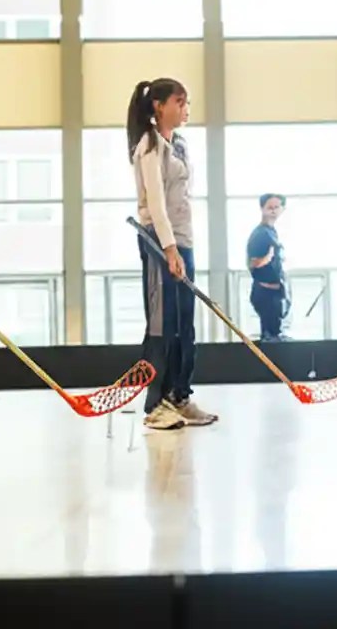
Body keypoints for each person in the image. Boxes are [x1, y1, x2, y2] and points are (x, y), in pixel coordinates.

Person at [129, 77, 218, 430]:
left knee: (185, 326)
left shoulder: (178, 144)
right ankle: (155, 405)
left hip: (183, 241)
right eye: (179, 102)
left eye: (187, 102)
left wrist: (181, 247)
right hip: (158, 240)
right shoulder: (149, 145)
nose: (186, 109)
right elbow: (156, 202)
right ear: (158, 106)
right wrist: (168, 248)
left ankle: (180, 395)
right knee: (162, 325)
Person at [247, 193, 290, 342]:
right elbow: (253, 263)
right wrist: (267, 258)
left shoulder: (272, 232)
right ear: (262, 209)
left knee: (275, 335)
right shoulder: (260, 234)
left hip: (275, 292)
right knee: (270, 339)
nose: (273, 210)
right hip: (266, 293)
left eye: (276, 207)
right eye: (269, 207)